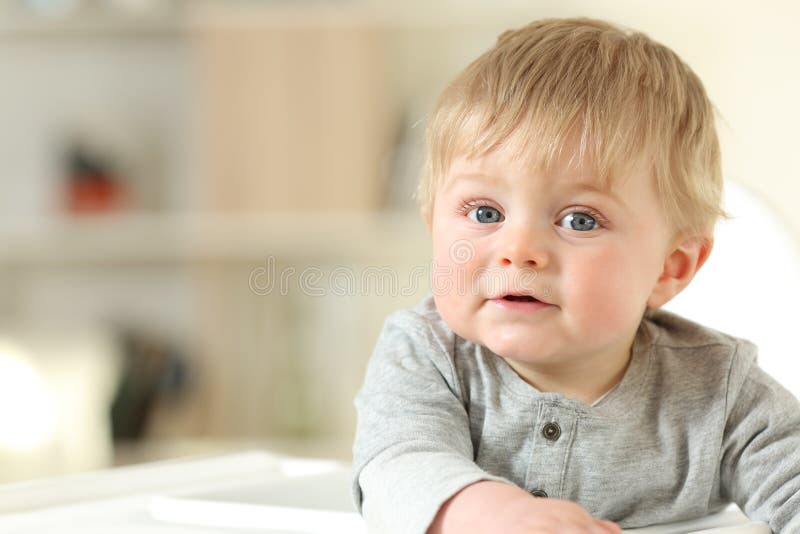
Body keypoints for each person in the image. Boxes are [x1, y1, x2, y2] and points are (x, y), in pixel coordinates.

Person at [351, 17, 800, 534]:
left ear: (670, 266)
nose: (518, 250)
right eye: (485, 212)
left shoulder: (719, 390)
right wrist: (495, 515)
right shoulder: (427, 355)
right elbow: (398, 469)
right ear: (433, 227)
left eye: (579, 220)